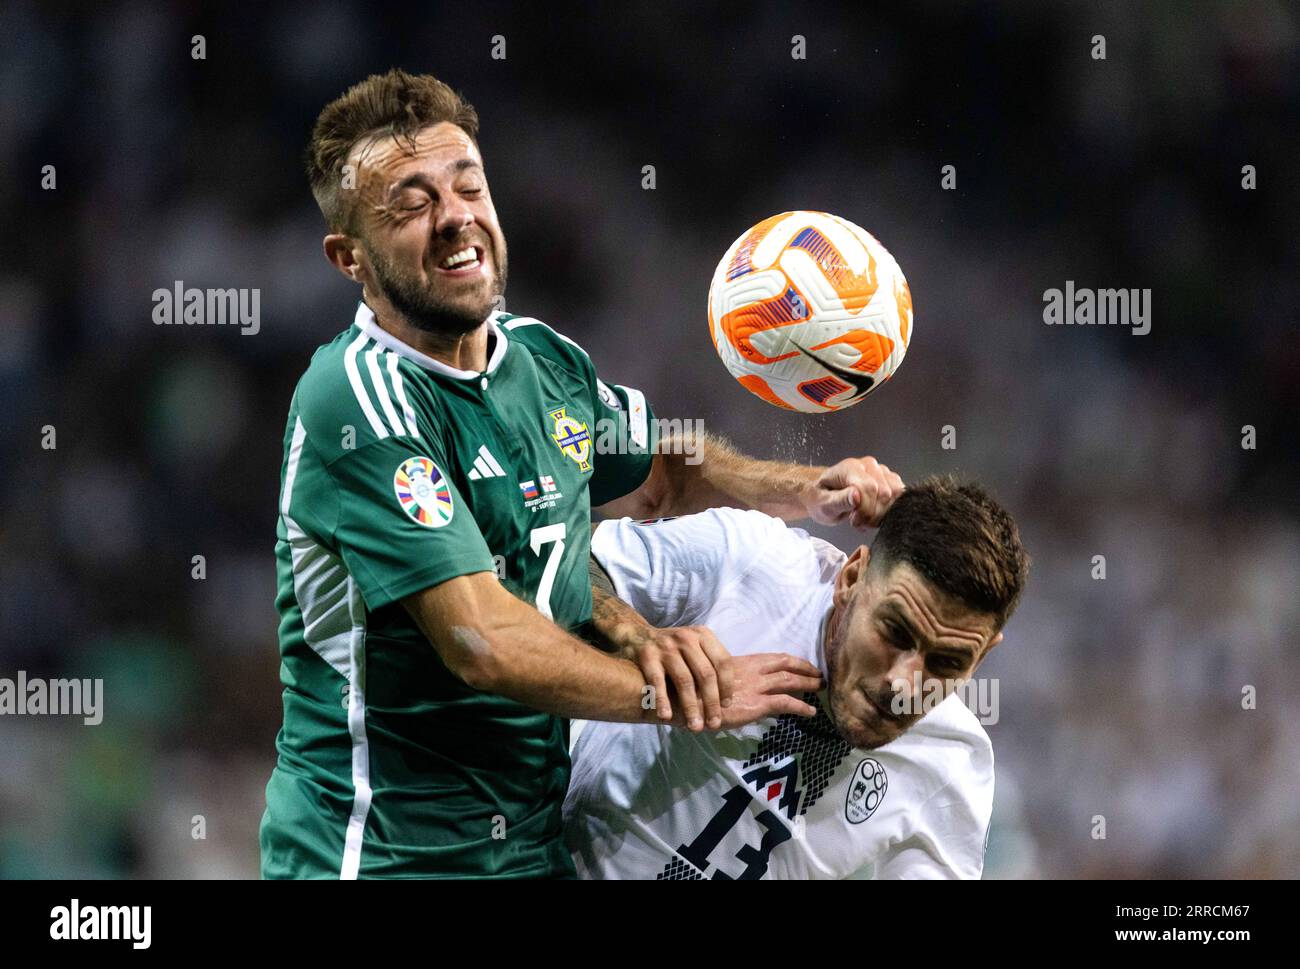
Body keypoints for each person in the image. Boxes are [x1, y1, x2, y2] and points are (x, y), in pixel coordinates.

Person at [260, 68, 906, 879]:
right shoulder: (356, 398)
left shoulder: (539, 358)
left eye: (468, 187)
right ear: (348, 257)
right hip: (387, 854)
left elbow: (661, 472)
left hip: (530, 846)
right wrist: (675, 696)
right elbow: (481, 640)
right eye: (411, 203)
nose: (456, 217)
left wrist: (806, 488)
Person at [565, 476, 1029, 879]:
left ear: (984, 654)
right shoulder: (753, 562)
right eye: (894, 631)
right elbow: (564, 555)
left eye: (947, 662)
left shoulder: (952, 762)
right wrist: (638, 636)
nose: (905, 684)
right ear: (851, 579)